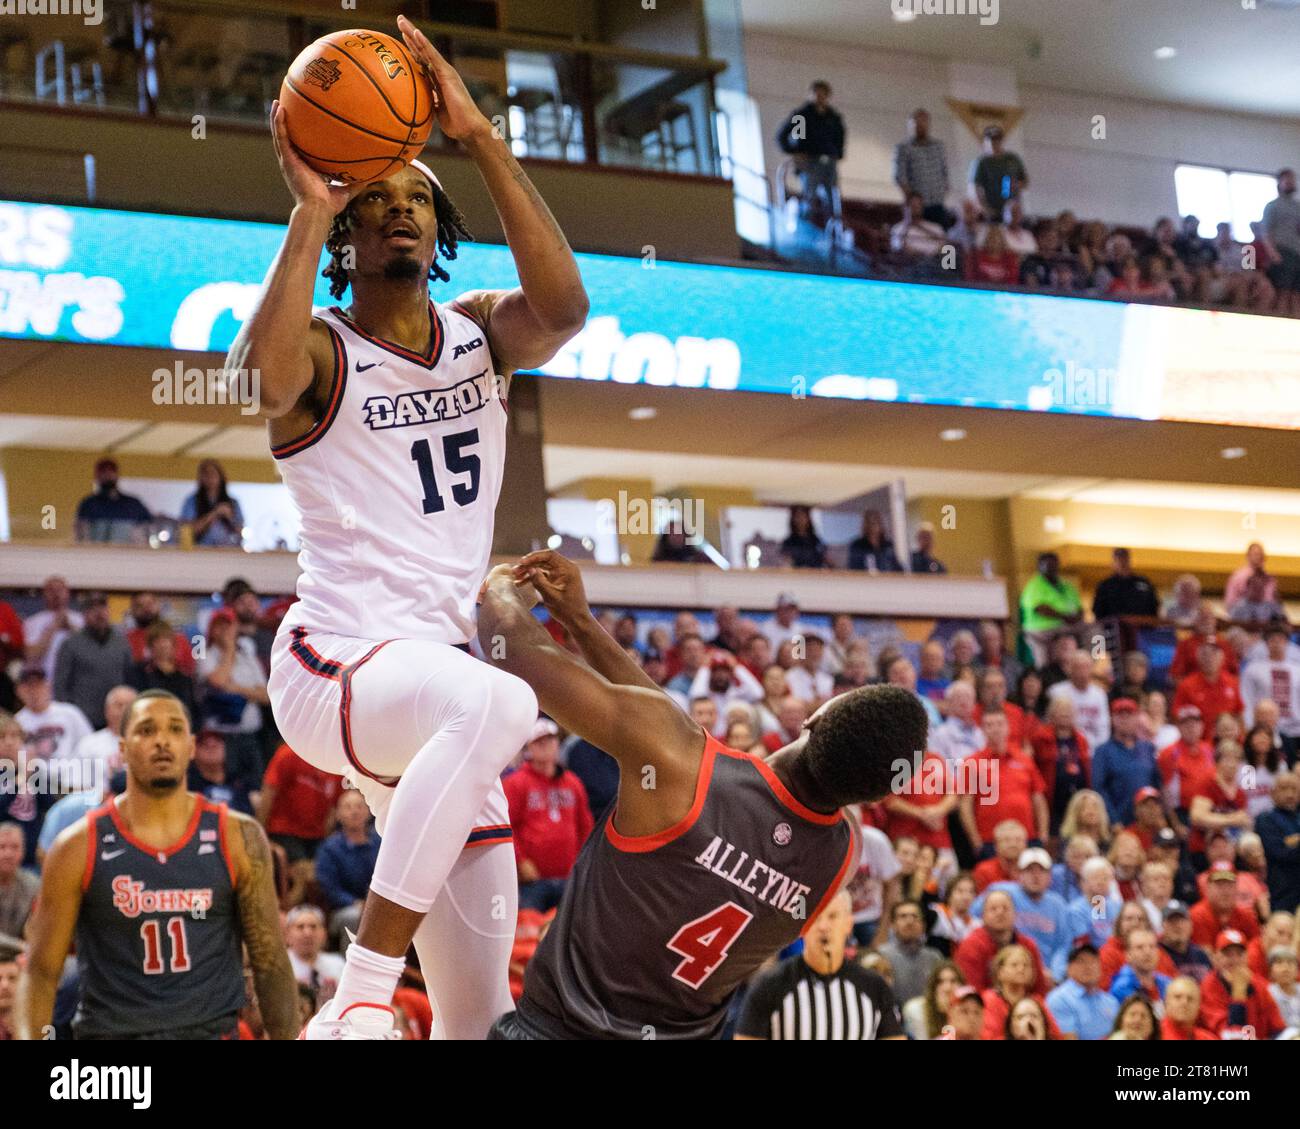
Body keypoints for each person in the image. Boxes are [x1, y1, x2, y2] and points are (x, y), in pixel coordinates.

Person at [233, 14, 585, 1042]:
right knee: (499, 702)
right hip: (335, 665)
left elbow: (563, 307)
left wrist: (475, 138)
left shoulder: (479, 334)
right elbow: (259, 380)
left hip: (430, 703)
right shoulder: (325, 355)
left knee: (485, 1015)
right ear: (347, 237)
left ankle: (355, 1013)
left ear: (441, 231)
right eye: (373, 201)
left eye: (414, 201)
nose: (398, 214)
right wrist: (309, 208)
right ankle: (359, 993)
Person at [475, 550, 928, 1040]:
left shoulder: (683, 763)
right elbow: (671, 729)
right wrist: (581, 623)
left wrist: (501, 584)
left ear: (815, 718)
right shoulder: (843, 854)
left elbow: (511, 649)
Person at [15, 689, 296, 1039]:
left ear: (191, 747)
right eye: (147, 730)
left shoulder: (239, 835)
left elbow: (269, 960)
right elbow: (41, 971)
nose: (162, 741)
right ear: (122, 749)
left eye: (175, 729)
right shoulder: (76, 845)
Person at [734, 890, 904, 1041]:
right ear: (803, 926)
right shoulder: (770, 984)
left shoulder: (874, 986)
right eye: (816, 917)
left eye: (832, 916)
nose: (823, 927)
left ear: (848, 924)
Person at [504, 717, 594, 913]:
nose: (546, 745)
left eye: (550, 740)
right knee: (530, 936)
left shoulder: (573, 783)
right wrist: (520, 861)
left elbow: (585, 826)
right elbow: (507, 827)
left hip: (569, 876)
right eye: (539, 742)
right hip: (533, 880)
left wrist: (584, 864)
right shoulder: (515, 783)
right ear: (529, 749)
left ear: (558, 743)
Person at [976, 847, 1074, 981]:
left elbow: (1063, 945)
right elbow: (974, 918)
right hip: (1005, 968)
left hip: (1047, 972)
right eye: (1029, 870)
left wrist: (1055, 974)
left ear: (1050, 876)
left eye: (1041, 871)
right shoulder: (1001, 891)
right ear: (1018, 874)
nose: (1035, 876)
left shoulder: (1058, 904)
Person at [960, 710, 1049, 851]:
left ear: (1008, 727)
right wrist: (975, 840)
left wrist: (1043, 833)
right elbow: (966, 804)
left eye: (1000, 724)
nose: (995, 729)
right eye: (989, 725)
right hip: (989, 840)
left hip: (1027, 838)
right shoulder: (972, 762)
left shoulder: (1025, 760)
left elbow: (1038, 799)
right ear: (982, 730)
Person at [51, 594, 134, 731]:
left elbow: (130, 678)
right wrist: (68, 716)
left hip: (116, 717)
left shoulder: (122, 642)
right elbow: (61, 684)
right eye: (92, 609)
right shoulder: (71, 644)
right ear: (84, 614)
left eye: (102, 608)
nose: (99, 613)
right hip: (82, 719)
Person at [315, 789, 381, 949]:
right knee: (354, 917)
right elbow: (330, 889)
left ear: (369, 811)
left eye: (359, 806)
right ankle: (349, 967)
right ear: (338, 814)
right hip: (345, 909)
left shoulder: (380, 843)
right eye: (348, 807)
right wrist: (356, 903)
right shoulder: (330, 848)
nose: (354, 812)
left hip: (378, 904)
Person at [775, 80, 846, 226]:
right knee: (810, 197)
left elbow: (840, 138)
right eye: (816, 93)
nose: (819, 97)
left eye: (823, 94)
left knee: (833, 198)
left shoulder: (833, 118)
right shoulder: (802, 116)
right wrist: (796, 152)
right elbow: (786, 137)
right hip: (810, 162)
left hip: (828, 161)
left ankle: (834, 231)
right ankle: (805, 228)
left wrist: (837, 153)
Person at [953, 888, 1050, 994]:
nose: (1000, 913)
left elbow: (1040, 990)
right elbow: (972, 993)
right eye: (993, 909)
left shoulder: (1028, 946)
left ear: (1015, 914)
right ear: (983, 916)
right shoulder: (970, 947)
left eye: (1005, 908)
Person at [1199, 929, 1287, 1039]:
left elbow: (1278, 1028)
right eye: (1228, 954)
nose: (1234, 960)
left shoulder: (1259, 985)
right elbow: (1230, 1035)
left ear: (1247, 957)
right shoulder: (1209, 986)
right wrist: (1239, 994)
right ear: (1216, 957)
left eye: (1239, 954)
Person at [1089, 698, 1160, 826]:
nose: (1125, 720)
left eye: (1129, 715)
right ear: (1112, 720)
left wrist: (1159, 816)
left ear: (1137, 718)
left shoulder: (1148, 748)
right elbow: (1098, 788)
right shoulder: (1103, 751)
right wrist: (1113, 820)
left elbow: (1156, 783)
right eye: (1120, 716)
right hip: (1119, 821)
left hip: (1148, 823)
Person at [14, 667, 92, 763]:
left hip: (69, 773)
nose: (34, 691)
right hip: (34, 774)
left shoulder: (70, 713)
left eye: (38, 685)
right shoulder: (17, 721)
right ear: (19, 691)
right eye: (29, 687)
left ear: (48, 686)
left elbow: (89, 743)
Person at [1045, 942, 1118, 1040]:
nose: (1088, 966)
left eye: (1093, 961)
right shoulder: (1059, 999)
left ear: (1100, 967)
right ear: (1068, 968)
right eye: (1081, 961)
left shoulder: (1111, 1001)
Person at [876, 900, 943, 1006]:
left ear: (923, 925)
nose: (910, 921)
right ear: (892, 925)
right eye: (903, 916)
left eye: (915, 916)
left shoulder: (934, 957)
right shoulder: (881, 955)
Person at [1019, 553, 1082, 665]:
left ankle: (1096, 660)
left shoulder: (1066, 586)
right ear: (1039, 567)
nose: (1051, 568)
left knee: (1097, 632)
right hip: (1040, 630)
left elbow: (1079, 608)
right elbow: (1041, 609)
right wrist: (1065, 617)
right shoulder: (1034, 586)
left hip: (1066, 626)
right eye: (1047, 565)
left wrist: (1078, 616)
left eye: (1054, 564)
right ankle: (1044, 674)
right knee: (1042, 661)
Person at [893, 108, 950, 227]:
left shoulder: (938, 146)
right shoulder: (903, 148)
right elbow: (900, 177)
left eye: (923, 122)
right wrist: (913, 201)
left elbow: (944, 172)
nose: (920, 126)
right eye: (916, 124)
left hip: (937, 204)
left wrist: (943, 190)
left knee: (941, 239)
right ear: (910, 126)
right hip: (918, 208)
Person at [74, 456, 152, 544]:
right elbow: (80, 532)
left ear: (117, 474)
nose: (108, 475)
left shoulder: (133, 504)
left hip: (128, 553)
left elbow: (148, 527)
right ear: (97, 476)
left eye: (111, 471)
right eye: (103, 472)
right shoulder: (89, 504)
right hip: (96, 553)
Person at [129, 620, 197, 720]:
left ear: (173, 644)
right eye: (158, 640)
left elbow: (192, 709)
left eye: (166, 639)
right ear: (150, 646)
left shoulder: (184, 677)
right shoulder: (140, 673)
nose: (163, 645)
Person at [22, 576, 84, 684]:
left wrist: (71, 628)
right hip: (43, 684)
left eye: (60, 590)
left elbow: (89, 652)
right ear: (44, 594)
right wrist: (53, 627)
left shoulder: (81, 620)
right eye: (51, 590)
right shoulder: (32, 622)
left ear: (68, 593)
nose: (56, 594)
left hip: (76, 684)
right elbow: (31, 656)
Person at [1242, 623, 1300, 735]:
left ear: (1287, 642)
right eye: (1272, 639)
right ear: (1266, 643)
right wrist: (1249, 724)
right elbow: (1247, 699)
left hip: (1295, 728)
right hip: (1264, 728)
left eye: (1281, 639)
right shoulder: (1253, 669)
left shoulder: (1297, 670)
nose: (1277, 643)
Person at [285, 904, 345, 1008]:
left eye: (313, 927)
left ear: (324, 933)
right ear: (288, 934)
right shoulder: (281, 966)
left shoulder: (338, 964)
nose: (307, 933)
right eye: (300, 927)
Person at [1048, 651, 1111, 751]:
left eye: (1086, 667)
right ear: (1069, 669)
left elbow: (1104, 728)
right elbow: (1051, 725)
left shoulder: (1100, 694)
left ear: (1092, 669)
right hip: (1066, 748)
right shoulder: (1056, 692)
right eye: (1078, 667)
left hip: (1096, 749)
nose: (1082, 672)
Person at [1256, 771, 1300, 914]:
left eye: (1294, 789)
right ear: (1272, 793)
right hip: (1283, 891)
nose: (1289, 794)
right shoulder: (1266, 819)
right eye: (1284, 788)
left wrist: (1294, 841)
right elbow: (1280, 852)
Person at [1191, 863, 1261, 947]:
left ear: (1236, 888)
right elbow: (1204, 957)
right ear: (1208, 888)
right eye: (1219, 885)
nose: (1225, 891)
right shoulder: (1197, 916)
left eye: (1229, 885)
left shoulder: (1246, 916)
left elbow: (1256, 948)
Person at [186, 729, 254, 816]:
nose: (211, 744)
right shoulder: (187, 786)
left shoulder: (242, 783)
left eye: (217, 741)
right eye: (203, 743)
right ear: (193, 752)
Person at [180, 458, 245, 548]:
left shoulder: (232, 503)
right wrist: (214, 513)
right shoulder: (192, 501)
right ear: (201, 478)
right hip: (200, 549)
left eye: (213, 473)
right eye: (206, 474)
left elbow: (241, 532)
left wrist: (230, 517)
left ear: (220, 476)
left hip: (228, 550)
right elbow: (188, 530)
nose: (210, 478)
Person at [1260, 170, 1300, 317]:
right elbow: (1265, 232)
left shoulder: (1298, 207)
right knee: (1283, 292)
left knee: (1296, 294)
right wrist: (1273, 253)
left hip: (1298, 254)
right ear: (1279, 183)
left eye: (1292, 179)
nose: (1290, 182)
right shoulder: (1272, 206)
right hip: (1282, 252)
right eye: (1287, 179)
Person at [969, 124, 1028, 220]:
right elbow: (975, 187)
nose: (993, 143)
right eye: (991, 140)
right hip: (991, 210)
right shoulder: (981, 162)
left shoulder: (1012, 159)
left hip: (1011, 210)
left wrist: (1014, 185)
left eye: (996, 140)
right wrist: (984, 208)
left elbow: (1024, 181)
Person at [903, 960, 964, 1040]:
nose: (947, 988)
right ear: (933, 987)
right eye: (940, 982)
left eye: (953, 981)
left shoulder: (970, 1010)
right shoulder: (916, 1010)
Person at [1092, 548, 1158, 621]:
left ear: (1129, 560)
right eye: (1118, 559)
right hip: (1113, 628)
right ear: (1113, 562)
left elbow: (1154, 607)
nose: (1122, 562)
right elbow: (1098, 612)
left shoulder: (1144, 583)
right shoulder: (1105, 586)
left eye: (1124, 559)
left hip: (1142, 628)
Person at [0, 822, 39, 941]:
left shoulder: (33, 885)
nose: (8, 854)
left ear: (23, 851)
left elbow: (38, 931)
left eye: (15, 847)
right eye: (1, 847)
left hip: (19, 956)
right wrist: (21, 947)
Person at [1159, 901, 1214, 981]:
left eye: (1182, 921)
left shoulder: (1200, 955)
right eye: (1172, 922)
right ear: (1163, 926)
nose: (1178, 926)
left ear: (1191, 925)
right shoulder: (1157, 955)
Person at [779, 505, 826, 570]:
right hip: (795, 577)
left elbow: (823, 558)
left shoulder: (816, 541)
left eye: (803, 516)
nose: (800, 519)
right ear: (793, 519)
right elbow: (785, 561)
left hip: (814, 576)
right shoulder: (788, 542)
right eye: (797, 516)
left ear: (808, 518)